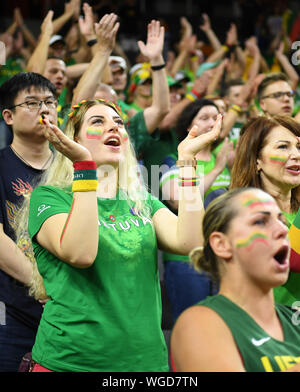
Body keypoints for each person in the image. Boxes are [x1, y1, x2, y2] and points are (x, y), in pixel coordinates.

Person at [16, 99, 223, 372]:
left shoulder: (142, 202)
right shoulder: (50, 197)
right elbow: (80, 253)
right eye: (97, 122)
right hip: (71, 363)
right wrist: (84, 167)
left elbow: (191, 241)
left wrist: (186, 162)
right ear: (72, 139)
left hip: (145, 363)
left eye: (118, 123)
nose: (112, 127)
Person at [171, 187, 300, 372]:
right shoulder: (200, 322)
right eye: (260, 221)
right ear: (221, 244)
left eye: (281, 221)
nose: (282, 230)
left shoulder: (294, 320)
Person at [0, 72, 58, 372]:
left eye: (50, 102)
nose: (44, 109)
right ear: (8, 116)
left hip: (71, 316)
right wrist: (48, 290)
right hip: (14, 315)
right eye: (32, 103)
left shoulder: (75, 165)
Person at [158, 99, 231, 323]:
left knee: (221, 326)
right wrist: (217, 169)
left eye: (216, 117)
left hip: (221, 257)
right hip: (186, 260)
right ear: (190, 127)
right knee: (191, 324)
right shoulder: (173, 160)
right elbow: (179, 201)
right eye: (204, 117)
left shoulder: (227, 158)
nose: (212, 122)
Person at [230, 115, 300, 306]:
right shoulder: (245, 211)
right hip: (267, 330)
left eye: (299, 147)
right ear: (256, 161)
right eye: (283, 147)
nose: (296, 154)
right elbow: (292, 260)